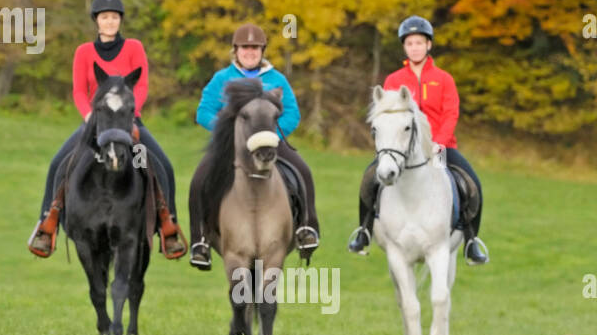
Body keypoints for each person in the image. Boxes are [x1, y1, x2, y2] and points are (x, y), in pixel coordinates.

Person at [27, 0, 186, 259]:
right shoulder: (84, 52)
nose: (110, 22)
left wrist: (132, 113)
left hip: (128, 121)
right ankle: (47, 224)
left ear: (120, 20)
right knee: (57, 165)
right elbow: (79, 91)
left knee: (164, 166)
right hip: (95, 124)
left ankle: (169, 227)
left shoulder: (134, 47)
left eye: (114, 17)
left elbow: (142, 84)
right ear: (96, 21)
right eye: (105, 17)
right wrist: (89, 115)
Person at [348, 16, 489, 264]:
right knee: (369, 179)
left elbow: (451, 113)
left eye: (419, 42)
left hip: (439, 148)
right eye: (410, 43)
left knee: (471, 183)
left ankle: (470, 241)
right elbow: (383, 116)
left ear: (428, 45)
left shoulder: (444, 79)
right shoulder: (393, 80)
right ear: (405, 47)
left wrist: (440, 143)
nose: (414, 47)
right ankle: (364, 231)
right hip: (400, 150)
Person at [191, 23, 320, 269]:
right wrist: (228, 132)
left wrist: (273, 133)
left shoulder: (276, 79)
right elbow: (204, 111)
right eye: (245, 48)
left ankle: (307, 227)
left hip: (269, 141)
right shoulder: (222, 78)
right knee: (200, 178)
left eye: (255, 48)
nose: (250, 52)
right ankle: (201, 241)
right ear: (235, 50)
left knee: (302, 170)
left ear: (262, 51)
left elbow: (292, 112)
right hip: (232, 146)